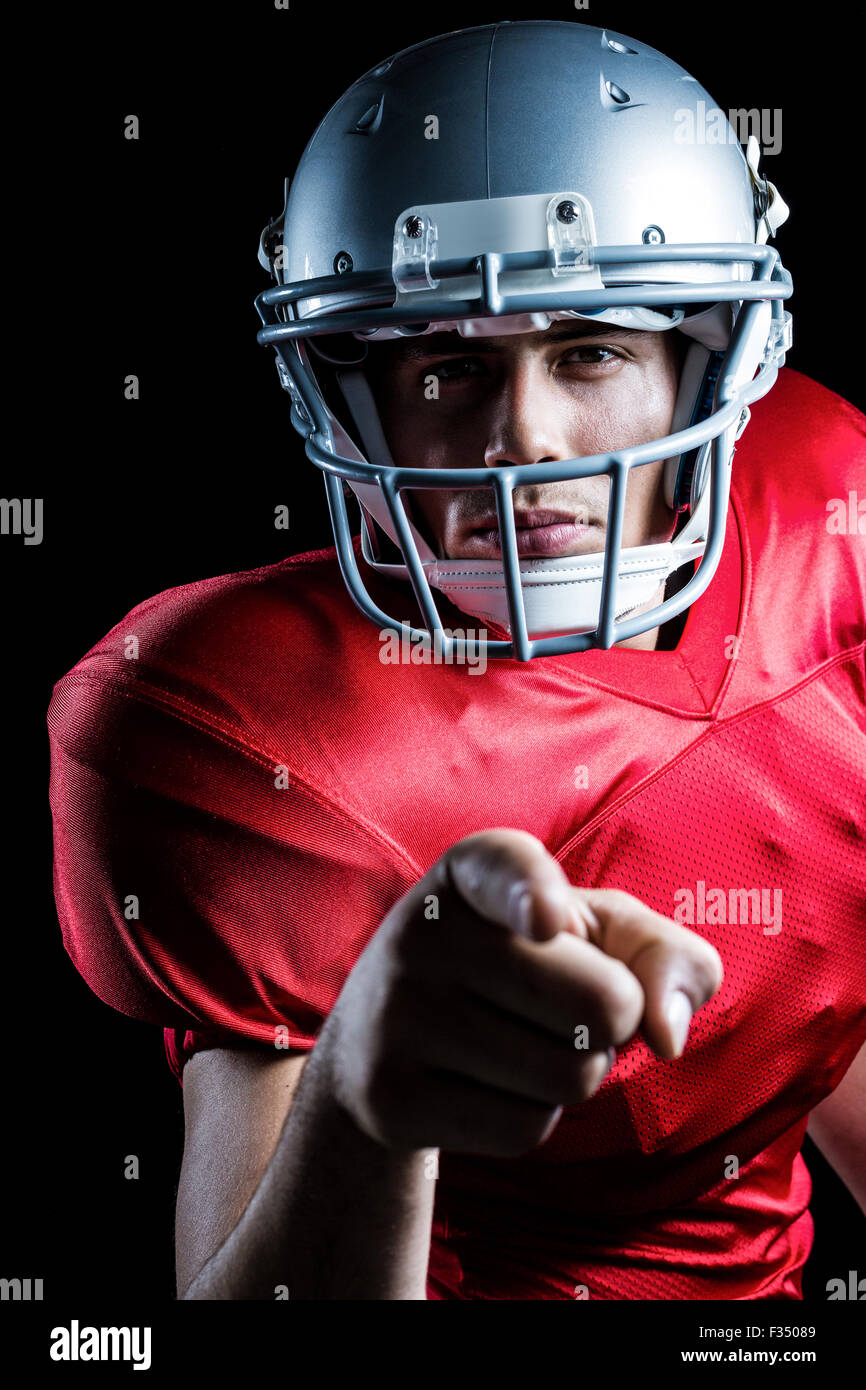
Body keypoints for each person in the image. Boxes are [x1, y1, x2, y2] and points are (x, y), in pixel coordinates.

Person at [47, 20, 865, 1301]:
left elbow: (812, 1002)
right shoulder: (233, 721)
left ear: (708, 363)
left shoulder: (831, 529)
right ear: (348, 397)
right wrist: (361, 1100)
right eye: (446, 366)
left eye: (588, 346)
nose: (521, 437)